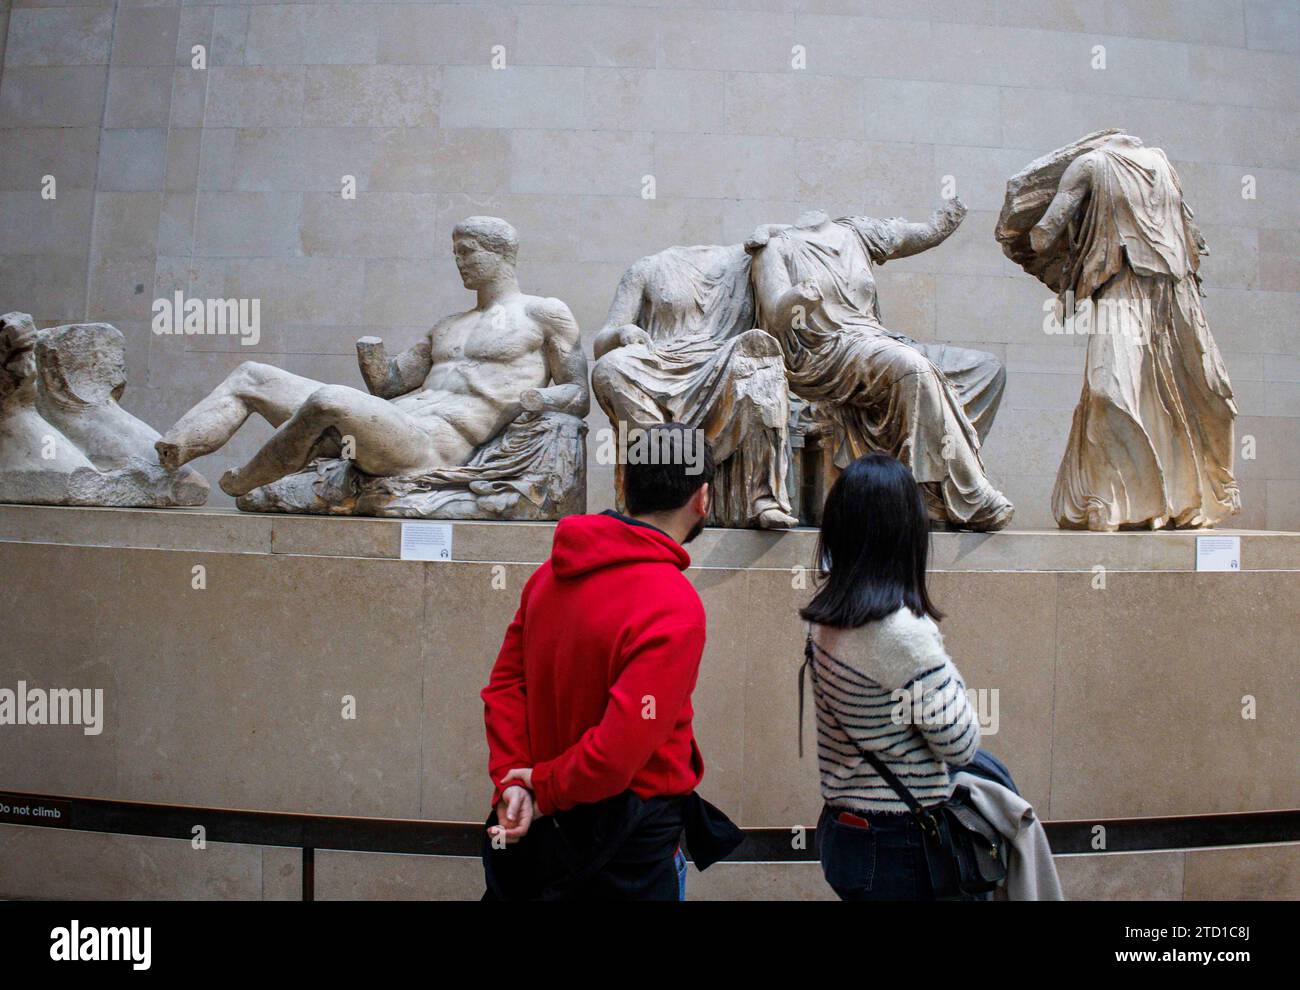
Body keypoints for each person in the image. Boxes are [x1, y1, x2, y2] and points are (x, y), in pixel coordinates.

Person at [479, 422, 741, 900]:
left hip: (547, 841)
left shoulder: (548, 577)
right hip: (627, 852)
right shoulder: (673, 603)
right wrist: (542, 787)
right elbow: (616, 755)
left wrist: (514, 781)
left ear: (624, 487)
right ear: (702, 498)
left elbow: (504, 690)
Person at [800, 452, 982, 900]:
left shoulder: (825, 618)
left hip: (844, 830)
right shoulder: (902, 635)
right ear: (904, 533)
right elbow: (961, 742)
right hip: (898, 839)